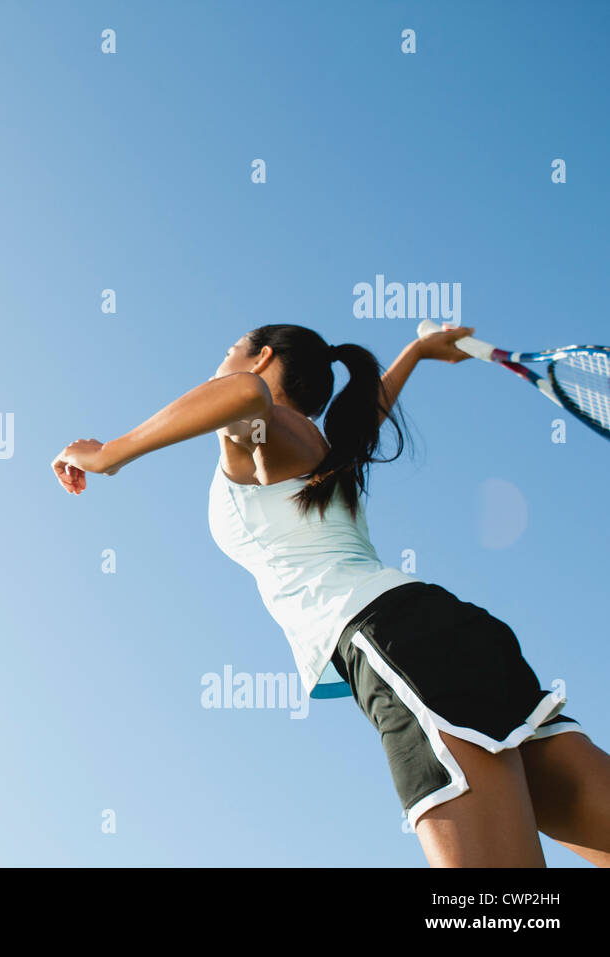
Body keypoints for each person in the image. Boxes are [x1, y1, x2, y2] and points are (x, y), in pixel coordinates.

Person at [51, 323, 610, 867]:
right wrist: (416, 351)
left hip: (397, 647)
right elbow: (362, 410)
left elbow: (244, 393)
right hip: (451, 635)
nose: (221, 365)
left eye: (230, 350)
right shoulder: (322, 450)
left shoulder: (264, 436)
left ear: (264, 357)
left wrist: (109, 455)